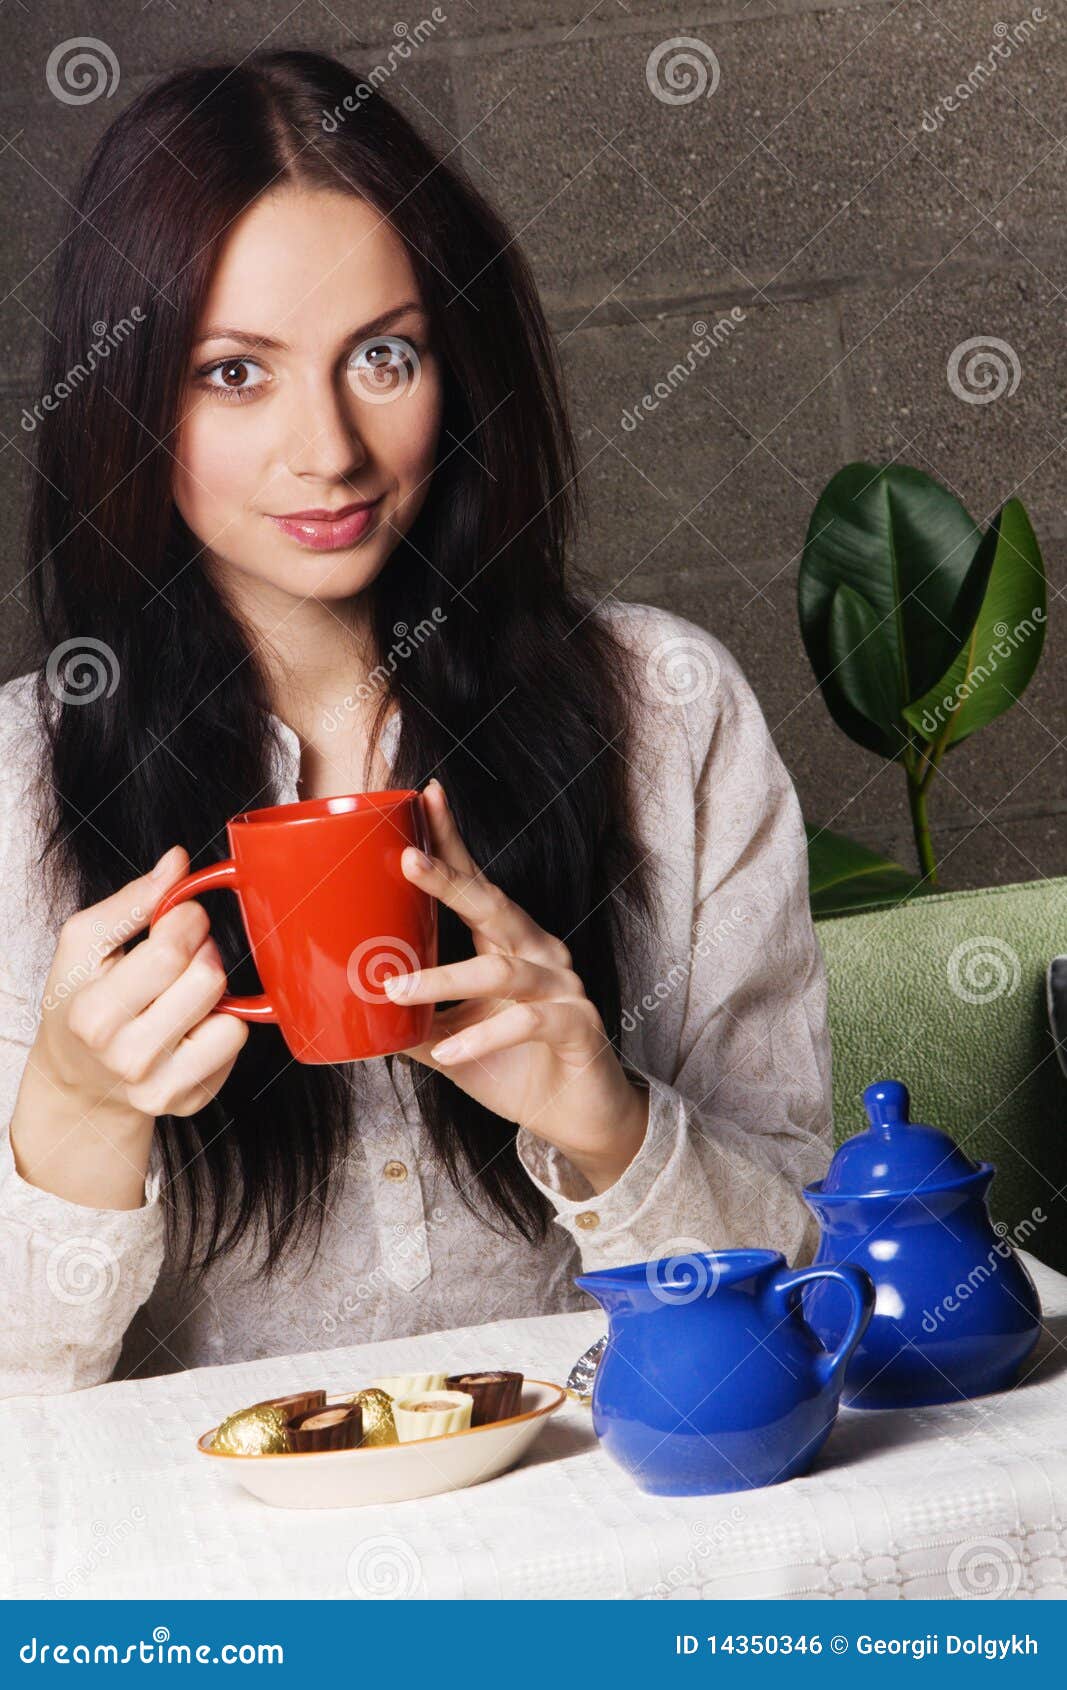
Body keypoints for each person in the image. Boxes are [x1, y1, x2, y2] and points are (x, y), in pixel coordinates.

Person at [0, 49, 831, 1398]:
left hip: (619, 1532)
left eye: (383, 356)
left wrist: (612, 1123)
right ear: (125, 397)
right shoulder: (14, 786)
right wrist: (78, 1114)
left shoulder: (667, 711)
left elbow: (812, 1296)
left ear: (460, 364)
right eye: (233, 373)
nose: (326, 447)